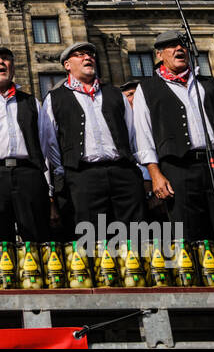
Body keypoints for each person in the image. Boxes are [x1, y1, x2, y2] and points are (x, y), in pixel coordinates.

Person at [132, 30, 214, 281]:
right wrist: (154, 174)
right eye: (171, 47)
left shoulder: (207, 84)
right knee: (188, 234)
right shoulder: (148, 88)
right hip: (178, 168)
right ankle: (200, 289)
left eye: (182, 45)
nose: (179, 50)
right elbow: (143, 134)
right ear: (159, 54)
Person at [40, 41, 145, 239]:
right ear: (67, 65)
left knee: (135, 236)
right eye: (80, 55)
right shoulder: (55, 98)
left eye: (90, 54)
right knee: (92, 238)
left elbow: (132, 133)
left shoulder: (115, 94)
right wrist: (63, 173)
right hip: (83, 177)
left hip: (122, 173)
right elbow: (50, 143)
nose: (87, 57)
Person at [0, 47, 52, 243]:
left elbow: (43, 141)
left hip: (28, 175)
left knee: (36, 235)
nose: (1, 63)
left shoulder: (30, 101)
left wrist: (43, 179)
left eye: (5, 59)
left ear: (12, 68)